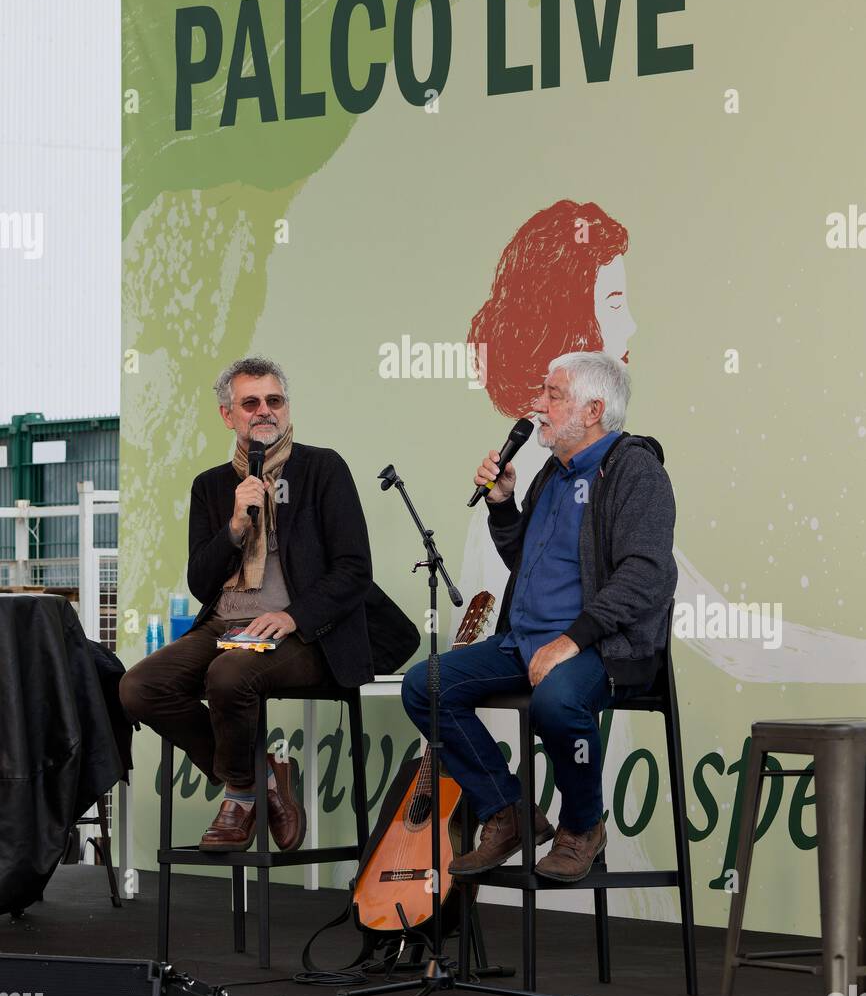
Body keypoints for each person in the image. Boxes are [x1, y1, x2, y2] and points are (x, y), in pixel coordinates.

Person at [402, 350, 677, 882]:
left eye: (554, 394)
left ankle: (582, 828)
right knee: (425, 684)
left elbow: (645, 576)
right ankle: (508, 813)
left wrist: (572, 641)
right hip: (524, 640)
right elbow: (524, 562)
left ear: (593, 408)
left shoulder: (636, 472)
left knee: (557, 699)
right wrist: (502, 504)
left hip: (604, 647)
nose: (539, 405)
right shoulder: (552, 473)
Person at [119, 356, 374, 853]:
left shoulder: (323, 468)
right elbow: (200, 581)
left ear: (286, 407)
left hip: (299, 635)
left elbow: (354, 570)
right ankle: (266, 781)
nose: (264, 411)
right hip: (224, 626)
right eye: (250, 402)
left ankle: (238, 797)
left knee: (229, 675)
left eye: (274, 400)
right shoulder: (212, 486)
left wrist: (291, 616)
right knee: (138, 687)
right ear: (227, 415)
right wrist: (235, 526)